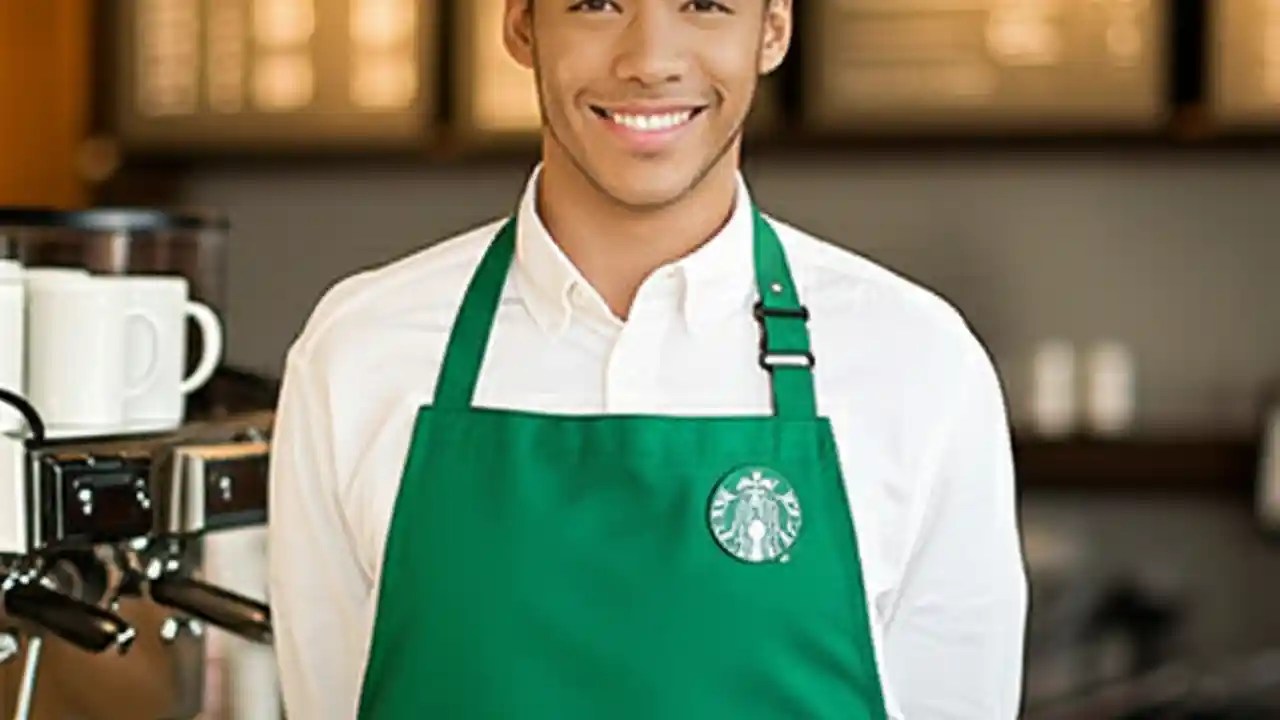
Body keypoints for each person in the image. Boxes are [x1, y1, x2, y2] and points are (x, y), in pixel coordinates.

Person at [267, 0, 1028, 717]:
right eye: (597, 3)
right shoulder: (357, 353)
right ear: (522, 25)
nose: (650, 60)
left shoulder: (920, 364)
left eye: (703, 3)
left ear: (772, 29)